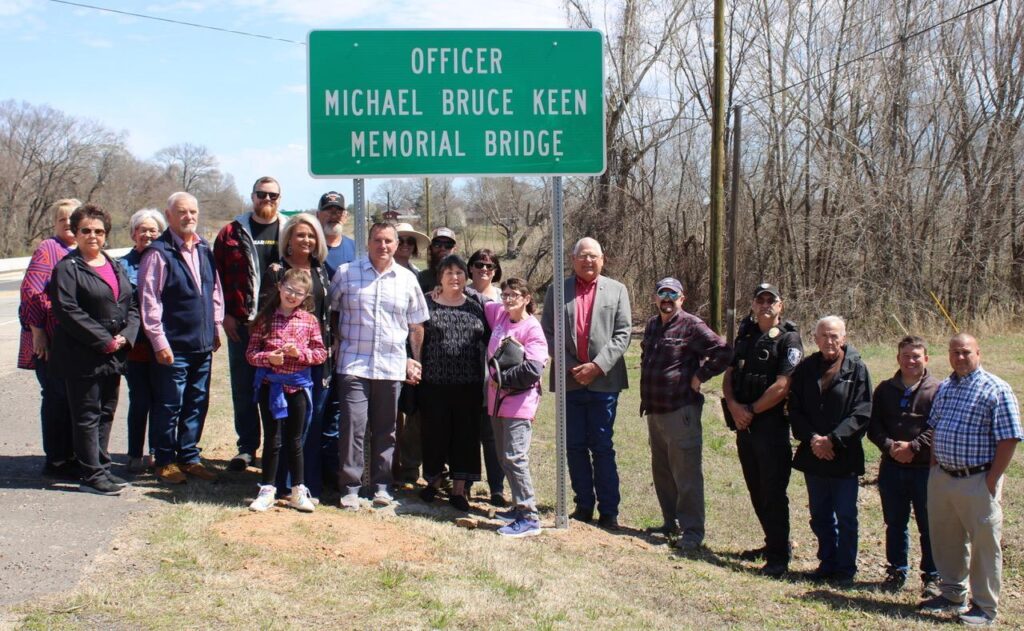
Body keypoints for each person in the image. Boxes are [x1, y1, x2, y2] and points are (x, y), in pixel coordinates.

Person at [918, 334, 1022, 626]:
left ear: (978, 353)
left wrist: (992, 480)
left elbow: (1009, 438)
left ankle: (984, 606)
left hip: (978, 479)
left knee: (984, 545)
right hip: (943, 478)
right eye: (955, 352)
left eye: (966, 352)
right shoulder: (946, 387)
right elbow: (936, 427)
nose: (960, 357)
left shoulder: (997, 389)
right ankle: (952, 593)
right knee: (947, 540)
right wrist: (935, 466)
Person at [330, 222, 429, 510]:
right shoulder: (347, 274)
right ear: (368, 243)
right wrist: (337, 341)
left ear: (396, 245)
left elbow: (416, 324)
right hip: (353, 363)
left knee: (387, 429)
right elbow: (333, 312)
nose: (382, 246)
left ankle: (382, 486)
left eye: (388, 241)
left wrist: (414, 359)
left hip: (391, 365)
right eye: (377, 240)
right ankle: (350, 486)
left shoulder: (407, 279)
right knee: (353, 427)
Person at [49, 204, 139, 495]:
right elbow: (68, 310)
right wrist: (104, 339)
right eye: (85, 230)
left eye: (99, 231)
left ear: (106, 235)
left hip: (114, 355)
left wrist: (127, 335)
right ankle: (91, 475)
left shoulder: (114, 265)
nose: (92, 236)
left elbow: (132, 304)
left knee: (106, 411)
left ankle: (102, 468)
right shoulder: (68, 268)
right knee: (86, 414)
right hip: (82, 356)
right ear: (75, 233)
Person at [541, 237, 631, 529]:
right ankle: (582, 505)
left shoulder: (617, 290)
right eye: (583, 256)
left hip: (604, 381)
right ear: (573, 259)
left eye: (593, 256)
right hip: (570, 381)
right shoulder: (558, 290)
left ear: (602, 260)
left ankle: (609, 510)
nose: (588, 261)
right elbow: (548, 333)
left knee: (602, 445)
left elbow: (623, 334)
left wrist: (597, 366)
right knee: (574, 445)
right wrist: (570, 367)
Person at [639, 277, 731, 552]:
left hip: (681, 411)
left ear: (682, 298)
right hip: (655, 411)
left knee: (686, 473)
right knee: (663, 471)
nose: (666, 298)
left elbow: (724, 351)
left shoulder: (692, 325)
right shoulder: (653, 325)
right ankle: (671, 523)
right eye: (661, 293)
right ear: (656, 298)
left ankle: (692, 531)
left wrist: (700, 375)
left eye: (672, 294)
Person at [140, 192, 224, 485]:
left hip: (201, 344)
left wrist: (215, 327)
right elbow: (150, 302)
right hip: (173, 347)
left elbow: (214, 291)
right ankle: (164, 460)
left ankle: (189, 456)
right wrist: (159, 342)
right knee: (169, 404)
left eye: (193, 211)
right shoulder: (158, 253)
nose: (189, 217)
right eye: (182, 212)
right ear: (169, 215)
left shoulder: (204, 249)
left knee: (197, 402)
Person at [722, 283, 803, 576]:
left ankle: (780, 556)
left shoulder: (789, 340)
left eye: (772, 300)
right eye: (761, 299)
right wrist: (733, 405)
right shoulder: (744, 336)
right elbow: (729, 375)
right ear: (753, 305)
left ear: (780, 306)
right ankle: (772, 543)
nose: (766, 304)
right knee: (755, 487)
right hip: (744, 424)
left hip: (770, 425)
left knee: (773, 490)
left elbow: (783, 385)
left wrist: (751, 411)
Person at [788, 315, 872, 585]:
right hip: (814, 454)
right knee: (820, 514)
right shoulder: (806, 368)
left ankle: (846, 568)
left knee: (846, 515)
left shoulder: (857, 369)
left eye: (835, 335)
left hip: (843, 455)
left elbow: (862, 413)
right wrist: (813, 439)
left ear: (844, 338)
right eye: (824, 335)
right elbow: (795, 409)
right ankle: (827, 561)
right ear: (815, 339)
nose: (829, 340)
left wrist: (833, 440)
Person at [259, 213, 333, 499]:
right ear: (288, 238)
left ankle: (304, 485)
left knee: (310, 423)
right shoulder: (276, 271)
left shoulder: (322, 270)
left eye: (312, 235)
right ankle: (276, 484)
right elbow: (265, 315)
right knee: (280, 425)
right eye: (300, 234)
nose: (306, 240)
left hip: (314, 358)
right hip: (282, 364)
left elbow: (328, 313)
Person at [215, 176, 285, 471]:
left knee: (274, 390)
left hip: (277, 325)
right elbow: (215, 277)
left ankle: (275, 446)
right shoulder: (231, 232)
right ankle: (246, 448)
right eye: (261, 194)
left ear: (280, 198)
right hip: (240, 324)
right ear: (252, 196)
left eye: (272, 195)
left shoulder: (289, 229)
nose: (266, 200)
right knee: (243, 389)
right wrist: (225, 314)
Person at [246, 268, 328, 513]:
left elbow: (320, 353)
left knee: (295, 440)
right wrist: (268, 358)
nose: (292, 295)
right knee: (273, 438)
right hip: (271, 387)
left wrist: (299, 354)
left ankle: (298, 490)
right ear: (280, 287)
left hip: (298, 387)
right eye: (289, 289)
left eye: (299, 293)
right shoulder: (265, 318)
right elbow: (250, 354)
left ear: (305, 297)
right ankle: (267, 489)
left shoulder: (309, 321)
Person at [867, 335, 941, 595]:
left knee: (928, 525)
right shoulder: (885, 389)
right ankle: (896, 571)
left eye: (916, 356)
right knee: (895, 523)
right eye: (906, 356)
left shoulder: (938, 390)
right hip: (892, 468)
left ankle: (932, 577)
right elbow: (873, 426)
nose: (911, 361)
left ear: (926, 358)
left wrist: (914, 447)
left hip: (925, 469)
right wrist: (890, 447)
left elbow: (938, 427)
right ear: (898, 358)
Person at [417, 255, 487, 512]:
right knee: (434, 435)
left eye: (459, 272)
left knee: (466, 437)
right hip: (433, 384)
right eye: (448, 272)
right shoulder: (426, 303)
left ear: (466, 277)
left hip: (468, 386)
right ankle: (433, 482)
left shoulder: (476, 306)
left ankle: (459, 490)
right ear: (440, 277)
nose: (454, 277)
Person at [20, 197, 80, 480]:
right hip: (50, 340)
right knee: (56, 398)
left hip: (77, 342)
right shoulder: (48, 249)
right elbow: (31, 293)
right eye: (62, 219)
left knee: (74, 400)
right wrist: (38, 333)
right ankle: (56, 459)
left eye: (73, 218)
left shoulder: (85, 250)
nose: (68, 224)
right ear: (55, 224)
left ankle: (72, 455)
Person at [486, 277, 548, 537]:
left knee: (515, 457)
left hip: (519, 403)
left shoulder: (532, 328)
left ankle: (529, 516)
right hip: (496, 402)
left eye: (515, 295)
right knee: (503, 457)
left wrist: (502, 379)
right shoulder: (500, 317)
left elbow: (534, 368)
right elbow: (477, 296)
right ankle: (516, 506)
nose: (509, 299)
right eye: (506, 294)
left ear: (526, 298)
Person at [119, 208, 167, 473]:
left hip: (162, 343)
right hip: (136, 344)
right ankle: (135, 453)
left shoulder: (167, 259)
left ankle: (157, 451)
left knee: (162, 400)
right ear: (133, 233)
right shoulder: (122, 265)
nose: (147, 234)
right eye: (142, 229)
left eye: (153, 230)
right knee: (140, 400)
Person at [467, 248, 506, 504]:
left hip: (492, 374)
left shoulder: (504, 298)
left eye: (490, 267)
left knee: (491, 435)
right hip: (462, 371)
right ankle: (464, 483)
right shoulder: (460, 291)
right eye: (479, 264)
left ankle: (497, 489)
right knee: (466, 431)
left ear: (496, 272)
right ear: (470, 267)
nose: (484, 270)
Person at [316, 191, 356, 278]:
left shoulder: (356, 248)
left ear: (346, 216)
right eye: (328, 211)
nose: (334, 216)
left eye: (339, 212)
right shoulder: (310, 247)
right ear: (318, 215)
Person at [417, 227, 458, 293]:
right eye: (437, 244)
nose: (442, 248)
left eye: (448, 245)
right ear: (430, 248)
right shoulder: (421, 278)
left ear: (455, 249)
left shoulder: (460, 277)